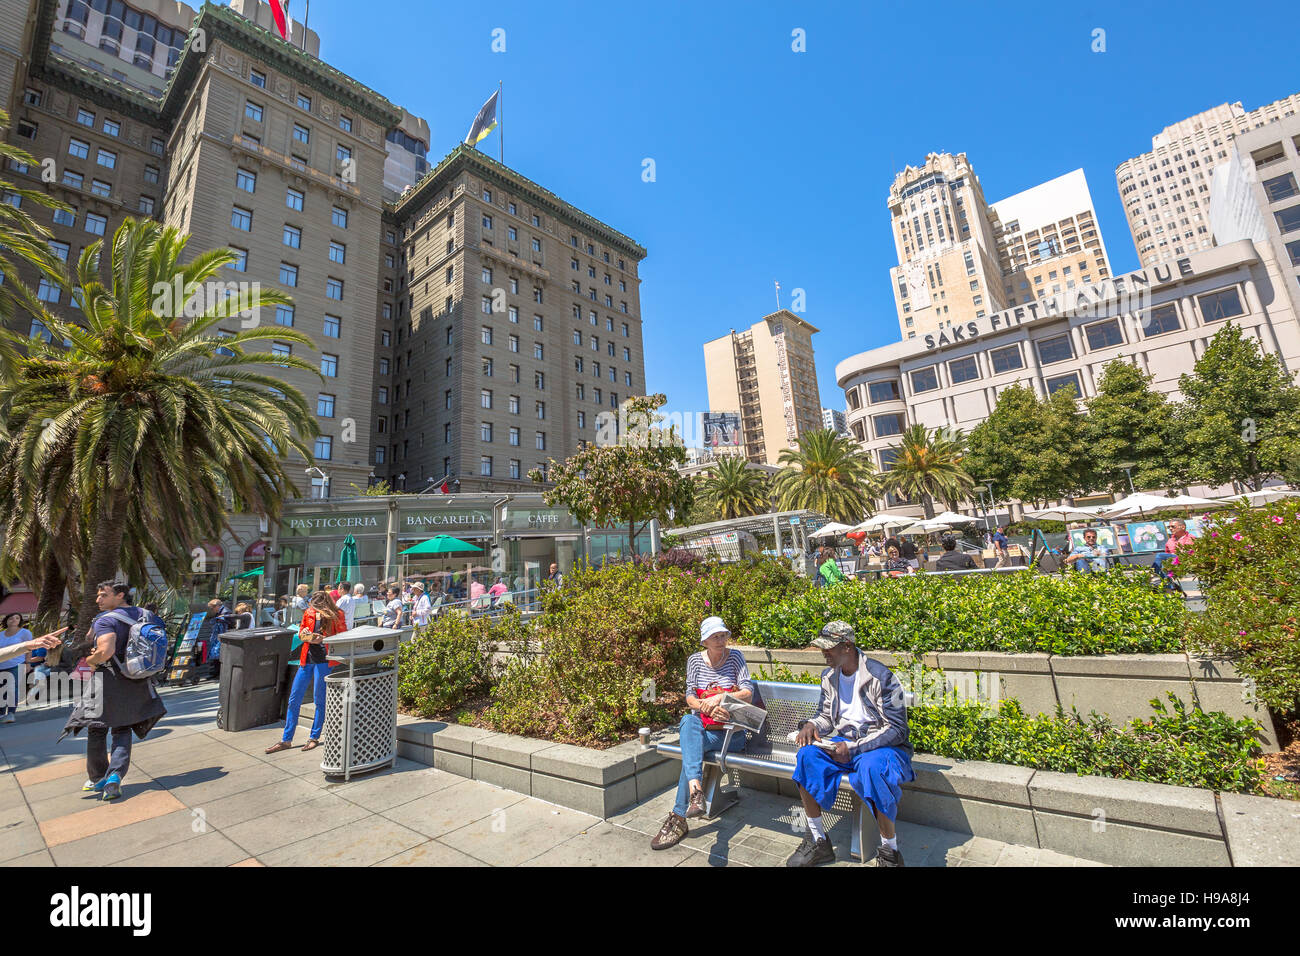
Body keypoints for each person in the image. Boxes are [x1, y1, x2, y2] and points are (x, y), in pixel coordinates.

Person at [786, 621, 914, 867]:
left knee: (872, 769)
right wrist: (812, 725)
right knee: (807, 756)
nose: (824, 653)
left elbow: (898, 729)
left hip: (882, 747)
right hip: (845, 743)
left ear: (847, 646)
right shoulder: (829, 677)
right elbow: (826, 717)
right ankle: (818, 840)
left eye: (829, 648)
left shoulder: (883, 677)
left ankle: (890, 853)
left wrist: (854, 748)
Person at [651, 616, 754, 850]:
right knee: (689, 719)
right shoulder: (695, 661)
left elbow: (747, 692)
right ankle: (696, 791)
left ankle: (679, 817)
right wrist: (703, 706)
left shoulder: (735, 657)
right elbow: (689, 697)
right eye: (715, 637)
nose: (721, 640)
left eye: (723, 635)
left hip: (732, 735)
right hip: (705, 728)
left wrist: (720, 699)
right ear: (704, 641)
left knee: (690, 750)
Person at [62, 581, 168, 801]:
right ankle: (115, 778)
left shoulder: (106, 619)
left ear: (120, 595)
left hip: (108, 679)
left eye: (103, 595)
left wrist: (90, 661)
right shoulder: (147, 615)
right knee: (121, 729)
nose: (98, 600)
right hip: (138, 678)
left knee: (96, 728)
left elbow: (105, 650)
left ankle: (99, 777)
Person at [267, 590, 345, 754]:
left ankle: (314, 737)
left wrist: (323, 639)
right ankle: (286, 739)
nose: (313, 609)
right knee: (294, 699)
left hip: (325, 659)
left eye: (316, 606)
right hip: (307, 658)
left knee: (319, 699)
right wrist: (307, 636)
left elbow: (342, 636)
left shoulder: (337, 614)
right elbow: (302, 632)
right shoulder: (309, 613)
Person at [0, 614, 35, 722]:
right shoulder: (1, 634)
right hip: (1, 665)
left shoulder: (25, 633)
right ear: (6, 621)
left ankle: (11, 713)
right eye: (11, 618)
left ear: (20, 621)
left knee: (12, 689)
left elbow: (29, 648)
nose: (14, 620)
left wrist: (28, 663)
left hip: (17, 664)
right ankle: (1, 714)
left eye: (17, 618)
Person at [1152, 519, 1194, 590]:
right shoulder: (1170, 540)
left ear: (1183, 527)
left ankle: (1153, 572)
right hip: (1172, 562)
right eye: (1169, 527)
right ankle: (1170, 586)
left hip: (1184, 561)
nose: (1170, 529)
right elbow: (1167, 553)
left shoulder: (1190, 538)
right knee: (1163, 565)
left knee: (1159, 555)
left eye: (1173, 526)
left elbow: (1188, 553)